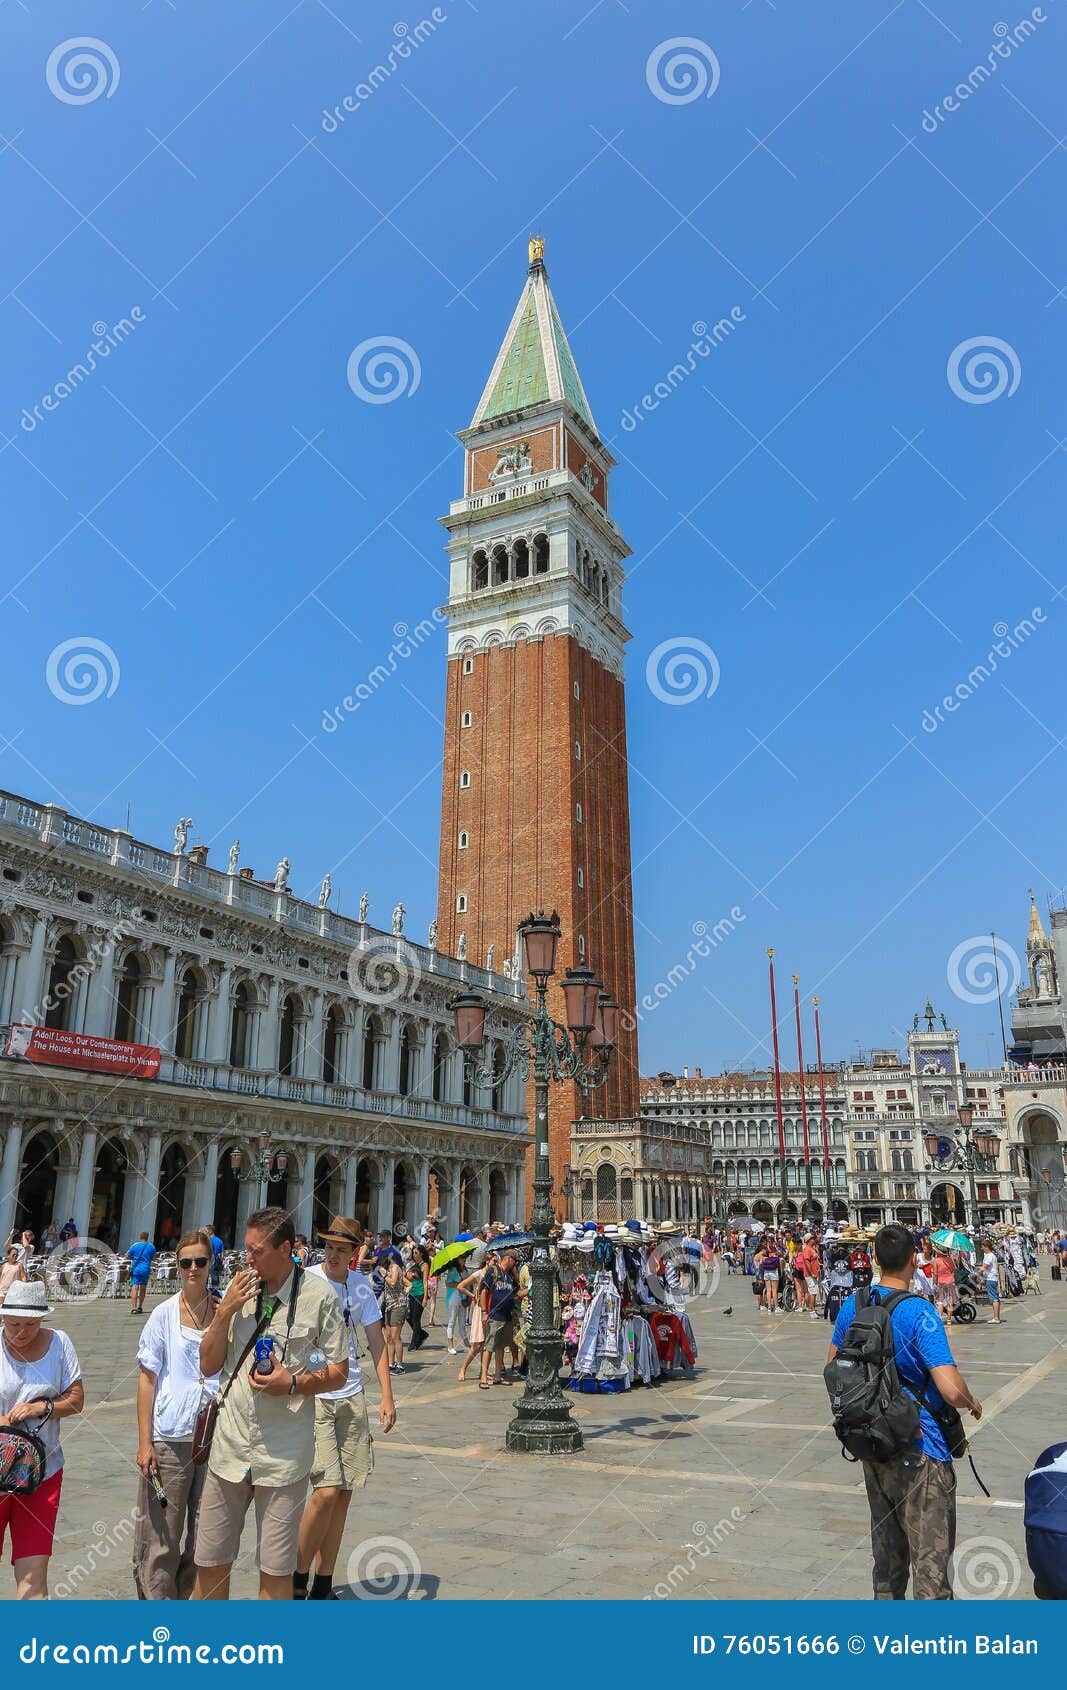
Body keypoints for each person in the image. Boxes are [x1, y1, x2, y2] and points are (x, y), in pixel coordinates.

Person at [190, 1207, 348, 1601]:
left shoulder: (318, 1297)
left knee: (276, 1573)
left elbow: (340, 1371)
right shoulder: (237, 1291)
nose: (248, 1259)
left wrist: (291, 1382)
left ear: (286, 1250)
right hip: (227, 1450)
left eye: (256, 1251)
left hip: (282, 1456)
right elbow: (208, 1364)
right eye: (247, 1249)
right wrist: (224, 1310)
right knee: (210, 1563)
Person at [828, 1223, 981, 1600]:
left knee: (888, 1568)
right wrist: (972, 1400)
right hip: (921, 1448)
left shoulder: (855, 1304)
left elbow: (832, 1368)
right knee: (930, 1573)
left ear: (875, 1259)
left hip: (875, 1448)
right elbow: (948, 1387)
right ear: (915, 1260)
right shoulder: (919, 1312)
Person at [294, 1217, 397, 1600]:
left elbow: (377, 1343)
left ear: (355, 1253)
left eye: (342, 1248)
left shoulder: (360, 1287)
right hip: (316, 1393)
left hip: (352, 1396)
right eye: (330, 1247)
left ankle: (323, 1582)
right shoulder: (305, 1280)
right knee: (326, 1489)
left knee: (345, 1493)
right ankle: (295, 1576)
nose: (334, 1254)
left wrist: (386, 1396)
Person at [133, 1229, 221, 1598]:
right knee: (161, 1538)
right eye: (186, 1262)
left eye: (200, 1261)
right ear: (176, 1265)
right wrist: (144, 1442)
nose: (193, 1269)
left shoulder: (223, 1311)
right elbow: (147, 1380)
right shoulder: (163, 1314)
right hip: (170, 1438)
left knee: (206, 1538)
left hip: (216, 1439)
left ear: (211, 1263)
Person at [0, 1280, 84, 1598]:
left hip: (41, 1472)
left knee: (33, 1576)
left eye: (30, 1324)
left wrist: (41, 1406)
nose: (21, 1332)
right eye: (13, 1324)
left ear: (42, 1319)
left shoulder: (60, 1344)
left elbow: (76, 1400)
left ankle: (28, 1642)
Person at [479, 1247, 523, 1386]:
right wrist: (484, 1312)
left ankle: (498, 1375)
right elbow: (484, 1291)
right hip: (494, 1314)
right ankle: (484, 1377)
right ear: (508, 1258)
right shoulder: (493, 1271)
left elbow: (517, 1294)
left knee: (500, 1347)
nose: (515, 1265)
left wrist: (530, 1289)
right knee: (489, 1346)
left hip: (507, 1316)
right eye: (515, 1262)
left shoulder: (510, 1276)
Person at [379, 1258, 409, 1373]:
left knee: (396, 1338)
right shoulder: (388, 1270)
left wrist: (384, 1274)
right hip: (389, 1306)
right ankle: (391, 1363)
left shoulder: (395, 1268)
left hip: (398, 1306)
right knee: (389, 1338)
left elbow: (393, 1282)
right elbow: (407, 1283)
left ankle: (400, 1365)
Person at [127, 1231, 157, 1315]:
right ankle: (140, 1306)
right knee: (143, 1288)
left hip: (136, 1269)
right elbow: (154, 1258)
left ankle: (133, 1308)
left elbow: (128, 1256)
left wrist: (135, 1258)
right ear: (147, 1237)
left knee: (135, 1288)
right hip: (145, 1269)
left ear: (140, 1237)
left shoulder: (135, 1246)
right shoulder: (151, 1246)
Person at [931, 1246, 959, 1323]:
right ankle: (949, 1320)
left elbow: (935, 1273)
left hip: (941, 1282)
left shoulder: (936, 1260)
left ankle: (939, 1319)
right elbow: (954, 1270)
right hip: (950, 1282)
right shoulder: (950, 1259)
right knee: (950, 1302)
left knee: (940, 1301)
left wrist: (934, 1282)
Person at [980, 1240, 1003, 1325]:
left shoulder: (989, 1256)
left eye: (982, 1246)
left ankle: (996, 1318)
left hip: (991, 1278)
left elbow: (985, 1267)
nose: (981, 1248)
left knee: (993, 1298)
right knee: (995, 1297)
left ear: (986, 1247)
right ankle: (996, 1317)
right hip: (993, 1278)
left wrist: (977, 1273)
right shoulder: (991, 1255)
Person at [205, 1224, 225, 1297]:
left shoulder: (206, 1240)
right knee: (215, 1280)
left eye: (206, 1231)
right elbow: (222, 1256)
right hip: (215, 1262)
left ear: (210, 1231)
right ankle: (215, 1295)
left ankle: (205, 1294)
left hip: (207, 1262)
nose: (205, 1232)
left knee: (205, 1279)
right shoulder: (220, 1241)